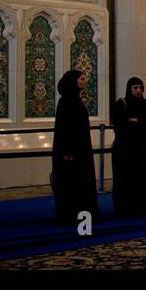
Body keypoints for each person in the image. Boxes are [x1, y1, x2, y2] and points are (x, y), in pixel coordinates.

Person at [51, 69, 98, 226]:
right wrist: (68, 151)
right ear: (74, 81)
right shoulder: (67, 102)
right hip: (73, 152)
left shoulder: (74, 100)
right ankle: (72, 214)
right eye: (82, 79)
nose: (85, 81)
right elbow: (65, 129)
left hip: (80, 149)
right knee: (73, 181)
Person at [111, 76, 146, 216]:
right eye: (135, 88)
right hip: (125, 150)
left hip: (144, 149)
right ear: (129, 89)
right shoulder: (121, 104)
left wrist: (135, 122)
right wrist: (135, 123)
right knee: (125, 178)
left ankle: (144, 206)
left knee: (143, 179)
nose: (138, 90)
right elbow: (119, 125)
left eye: (140, 88)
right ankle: (125, 207)